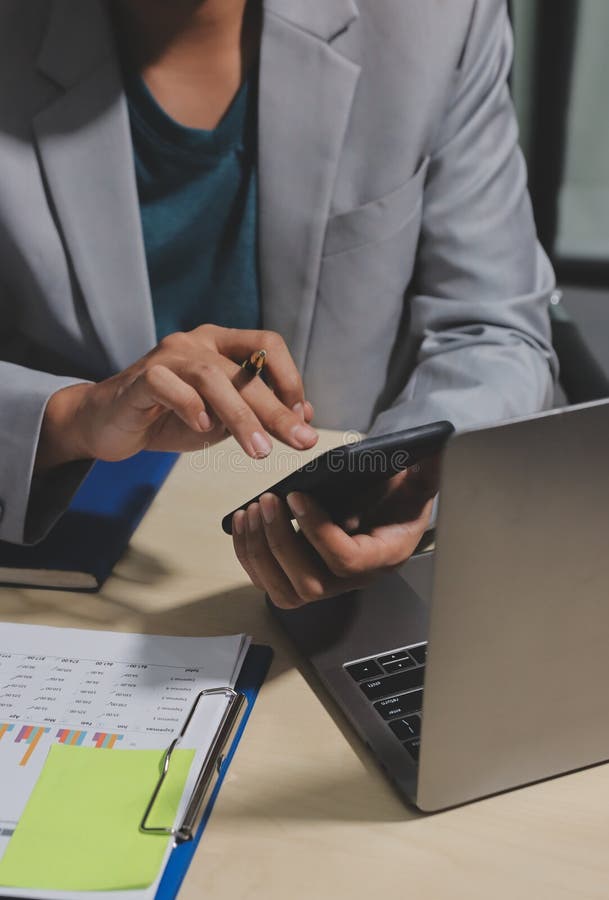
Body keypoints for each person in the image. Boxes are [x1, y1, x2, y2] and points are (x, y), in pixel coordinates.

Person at [0, 0, 557, 606]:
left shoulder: (434, 19)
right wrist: (71, 417)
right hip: (64, 572)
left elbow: (496, 332)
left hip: (358, 563)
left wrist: (408, 475)